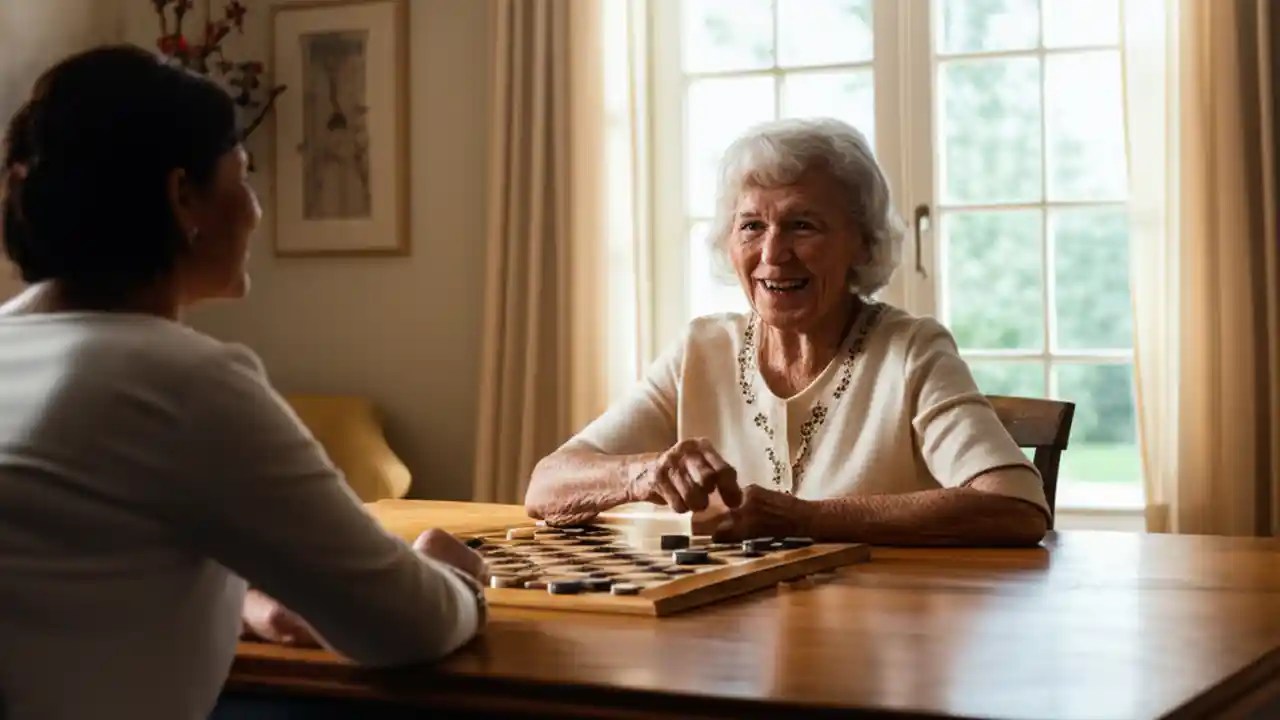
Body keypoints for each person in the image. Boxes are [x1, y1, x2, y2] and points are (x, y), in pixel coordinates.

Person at [0, 46, 485, 720]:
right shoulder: (183, 382)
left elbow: (91, 573)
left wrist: (247, 597)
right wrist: (451, 577)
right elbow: (409, 627)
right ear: (183, 197)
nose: (255, 210)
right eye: (244, 177)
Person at [525, 118, 1049, 547]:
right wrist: (643, 474)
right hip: (727, 648)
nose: (773, 254)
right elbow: (547, 485)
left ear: (863, 245)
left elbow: (1016, 506)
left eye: (803, 225)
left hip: (880, 641)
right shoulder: (701, 351)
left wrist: (806, 519)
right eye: (752, 225)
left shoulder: (910, 352)